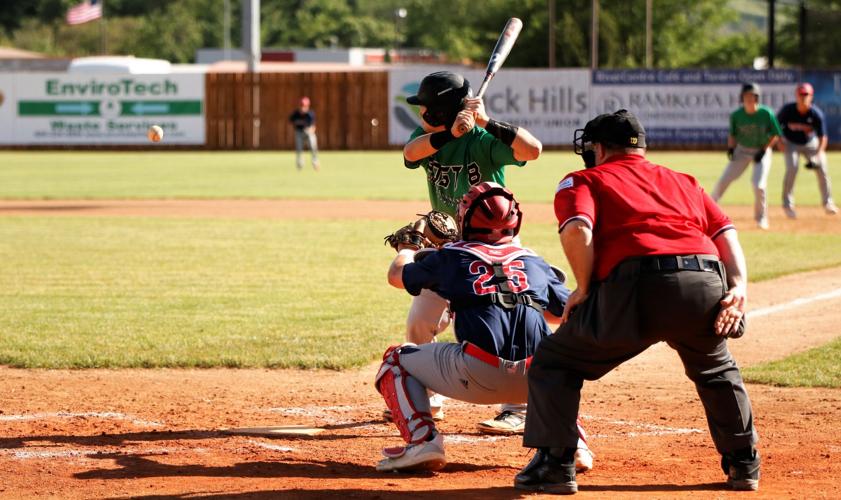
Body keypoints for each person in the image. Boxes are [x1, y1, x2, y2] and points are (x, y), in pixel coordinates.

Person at [515, 110, 759, 495]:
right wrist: (740, 286)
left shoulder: (584, 179)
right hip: (704, 282)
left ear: (597, 148)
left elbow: (579, 228)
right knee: (715, 368)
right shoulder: (684, 181)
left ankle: (556, 467)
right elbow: (725, 232)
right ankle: (744, 464)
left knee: (556, 361)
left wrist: (582, 287)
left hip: (634, 286)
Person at [375, 182, 593, 473]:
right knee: (558, 361)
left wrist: (408, 249)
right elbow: (564, 314)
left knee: (395, 360)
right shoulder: (534, 261)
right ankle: (571, 443)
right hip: (539, 382)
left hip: (476, 374)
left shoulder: (452, 255)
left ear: (465, 219)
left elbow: (396, 276)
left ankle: (423, 441)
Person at [398, 70, 543, 433]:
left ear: (442, 109)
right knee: (420, 319)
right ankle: (428, 398)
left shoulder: (484, 140)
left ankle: (519, 408)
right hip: (448, 248)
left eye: (427, 107)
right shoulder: (429, 138)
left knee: (509, 321)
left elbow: (533, 150)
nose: (421, 113)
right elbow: (410, 153)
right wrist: (450, 134)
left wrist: (487, 122)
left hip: (494, 250)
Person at [711, 82, 782, 230]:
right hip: (742, 150)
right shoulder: (737, 115)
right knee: (724, 180)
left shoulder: (766, 113)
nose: (749, 99)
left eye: (752, 96)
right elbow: (732, 134)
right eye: (746, 96)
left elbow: (775, 134)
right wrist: (731, 148)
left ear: (757, 98)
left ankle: (762, 218)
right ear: (742, 98)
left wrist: (764, 150)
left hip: (761, 151)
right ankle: (708, 210)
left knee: (759, 185)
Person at [777, 82, 838, 218]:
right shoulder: (788, 110)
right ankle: (788, 205)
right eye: (801, 94)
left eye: (806, 94)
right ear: (796, 95)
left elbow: (823, 137)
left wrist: (818, 154)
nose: (803, 97)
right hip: (791, 143)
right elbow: (775, 125)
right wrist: (779, 141)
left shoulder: (816, 113)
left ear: (811, 96)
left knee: (822, 167)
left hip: (811, 144)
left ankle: (828, 203)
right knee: (792, 167)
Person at [288, 96, 319, 171]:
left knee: (313, 146)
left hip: (308, 132)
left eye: (304, 106)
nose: (303, 107)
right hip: (299, 132)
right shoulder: (296, 114)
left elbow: (313, 126)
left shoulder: (310, 114)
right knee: (299, 149)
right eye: (302, 105)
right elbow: (291, 121)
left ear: (308, 106)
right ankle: (300, 164)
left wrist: (311, 131)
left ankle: (315, 162)